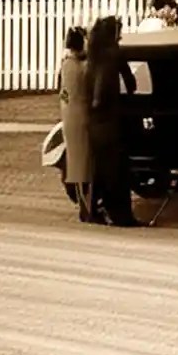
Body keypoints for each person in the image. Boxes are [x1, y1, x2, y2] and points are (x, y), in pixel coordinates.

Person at [86, 15, 142, 227]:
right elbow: (129, 83)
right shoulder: (113, 55)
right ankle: (122, 217)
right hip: (109, 122)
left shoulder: (92, 55)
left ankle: (94, 211)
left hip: (94, 123)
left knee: (100, 171)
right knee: (118, 172)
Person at [58, 26, 96, 222]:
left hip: (68, 116)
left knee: (76, 164)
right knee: (84, 165)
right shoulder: (83, 67)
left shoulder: (66, 65)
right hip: (82, 117)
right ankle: (87, 208)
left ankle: (84, 205)